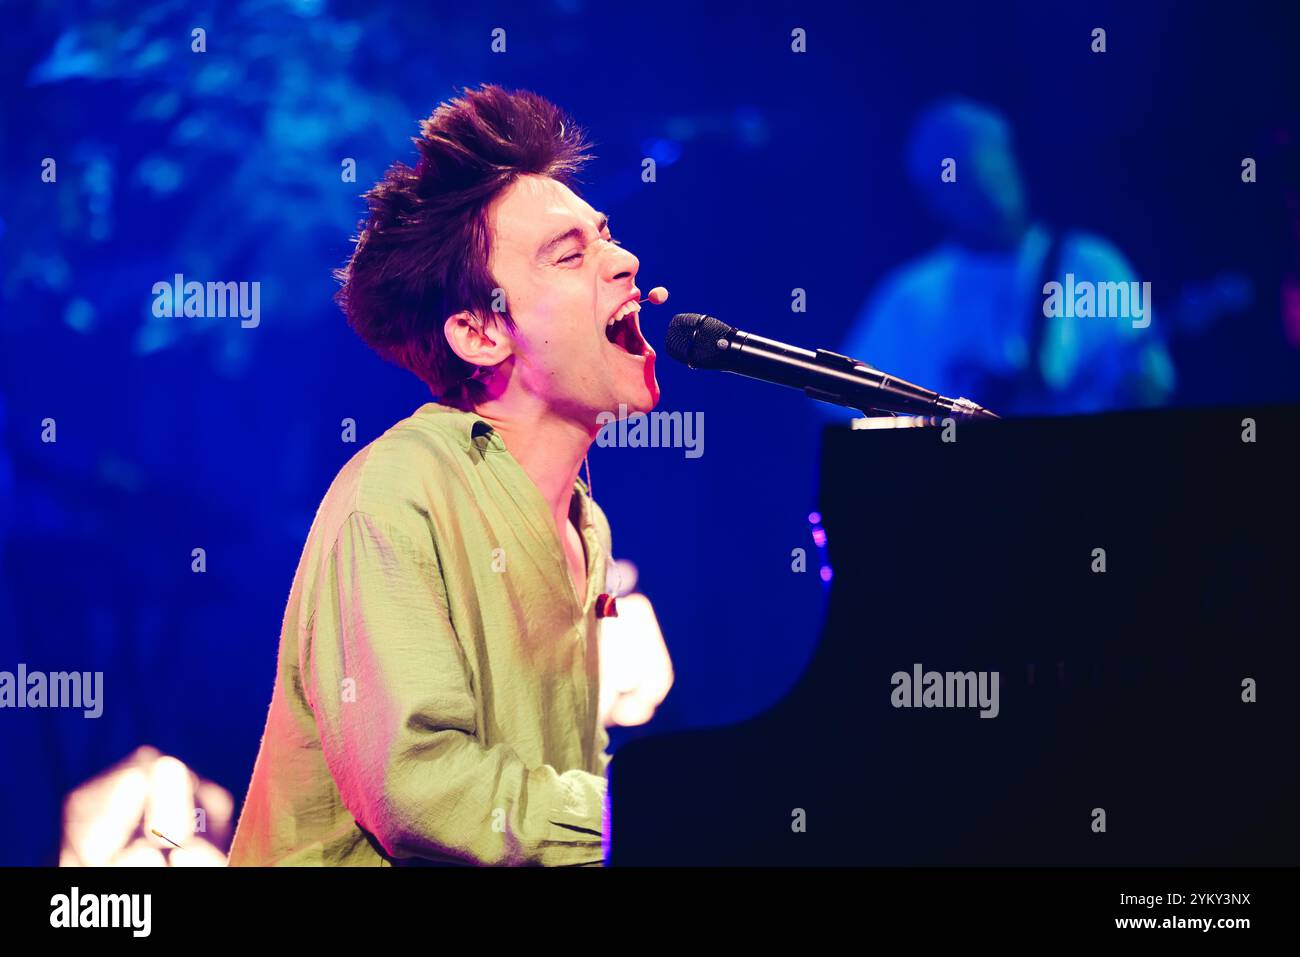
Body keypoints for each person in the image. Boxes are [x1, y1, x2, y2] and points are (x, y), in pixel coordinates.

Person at [229, 84, 659, 866]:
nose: (625, 260)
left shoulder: (585, 525)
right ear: (481, 331)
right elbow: (419, 787)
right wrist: (651, 817)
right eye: (571, 254)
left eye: (606, 237)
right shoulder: (397, 492)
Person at [835, 99, 1175, 418]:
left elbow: (1150, 383)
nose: (987, 187)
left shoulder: (1093, 265)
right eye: (964, 176)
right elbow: (849, 411)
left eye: (993, 164)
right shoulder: (908, 296)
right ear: (932, 195)